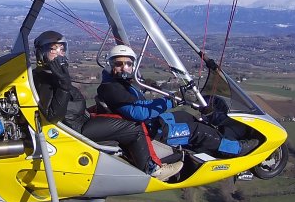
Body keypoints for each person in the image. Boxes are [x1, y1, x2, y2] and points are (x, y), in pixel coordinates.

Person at [31, 31, 183, 181]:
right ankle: (153, 169)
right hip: (77, 128)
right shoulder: (46, 79)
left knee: (117, 117)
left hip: (80, 120)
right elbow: (53, 116)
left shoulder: (51, 74)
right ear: (42, 53)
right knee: (133, 127)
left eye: (62, 49)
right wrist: (63, 85)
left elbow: (68, 106)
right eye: (53, 49)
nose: (59, 54)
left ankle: (135, 154)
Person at [96, 45, 259, 158]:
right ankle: (236, 149)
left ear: (133, 66)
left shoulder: (122, 85)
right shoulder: (111, 88)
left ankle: (213, 139)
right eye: (119, 64)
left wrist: (171, 95)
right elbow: (138, 113)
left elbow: (139, 102)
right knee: (199, 132)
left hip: (151, 124)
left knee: (185, 116)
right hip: (150, 134)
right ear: (111, 65)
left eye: (128, 64)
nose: (124, 68)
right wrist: (170, 102)